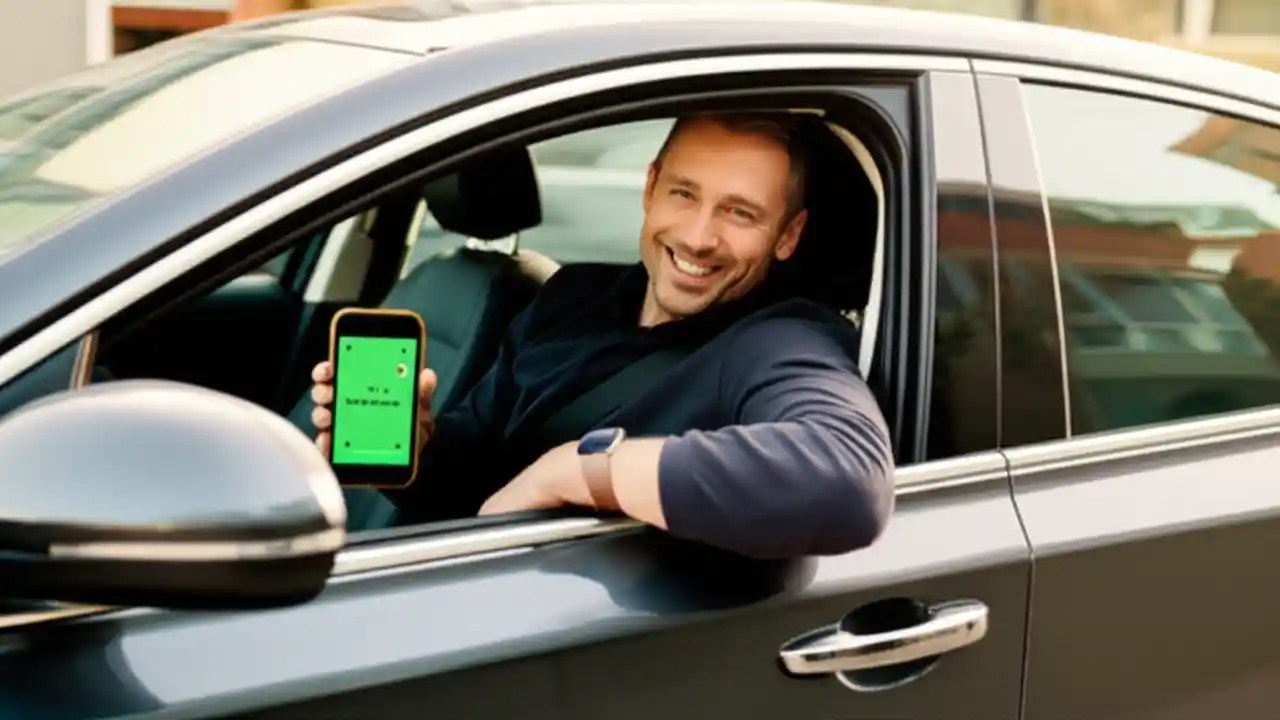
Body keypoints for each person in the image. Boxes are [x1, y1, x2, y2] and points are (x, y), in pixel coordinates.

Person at [309, 112, 895, 559]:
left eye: (739, 213)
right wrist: (419, 443)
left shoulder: (781, 342)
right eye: (684, 194)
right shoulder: (572, 297)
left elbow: (850, 481)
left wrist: (574, 469)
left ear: (788, 236)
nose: (697, 237)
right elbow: (473, 490)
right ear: (650, 189)